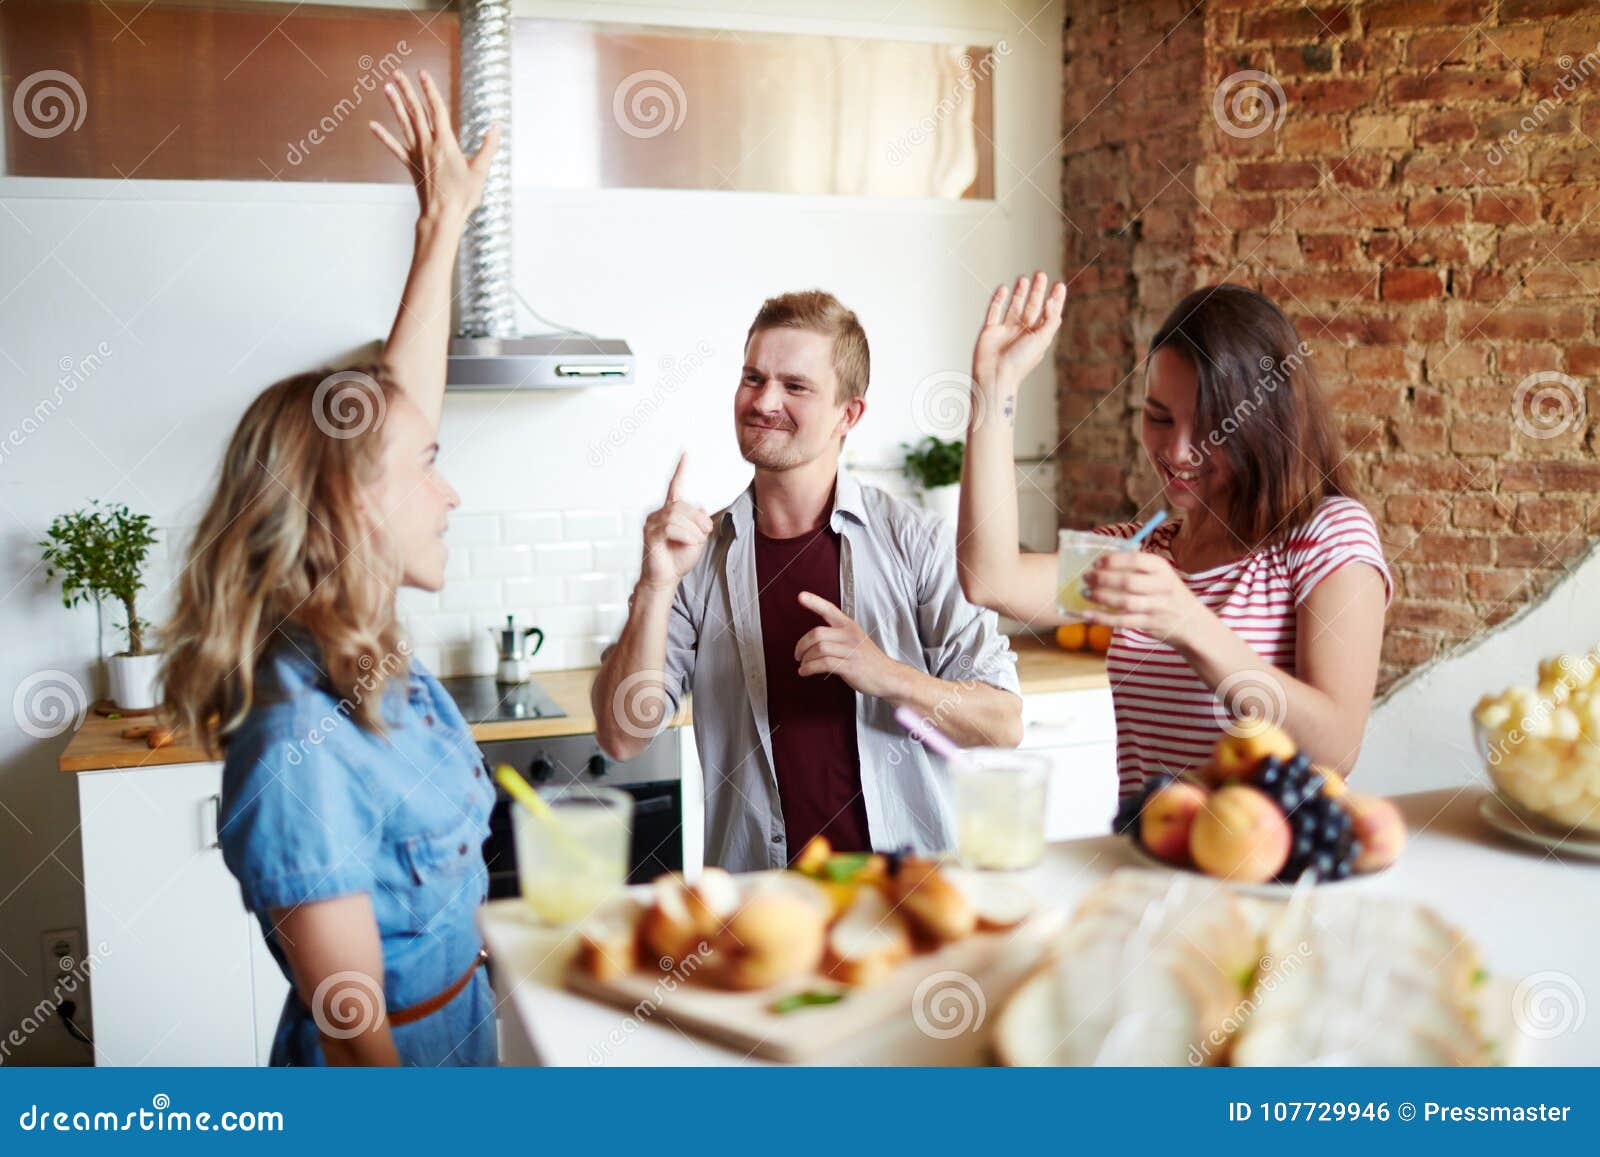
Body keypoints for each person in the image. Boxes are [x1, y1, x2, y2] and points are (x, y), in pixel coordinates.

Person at [162, 71, 501, 1065]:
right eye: (429, 469)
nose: (449, 493)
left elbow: (398, 417)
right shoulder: (298, 732)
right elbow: (358, 1040)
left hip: (467, 1026)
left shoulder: (360, 650)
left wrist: (443, 229)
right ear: (352, 506)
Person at [591, 290, 1023, 871]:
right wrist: (654, 585)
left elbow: (1003, 724)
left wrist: (887, 675)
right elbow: (624, 737)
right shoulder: (695, 557)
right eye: (753, 377)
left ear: (849, 414)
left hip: (903, 900)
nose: (765, 400)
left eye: (795, 386)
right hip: (761, 913)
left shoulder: (916, 542)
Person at [957, 273, 1391, 796]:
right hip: (1150, 862)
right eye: (1158, 417)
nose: (1179, 451)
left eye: (1212, 427)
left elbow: (1338, 747)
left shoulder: (1327, 536)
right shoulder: (1141, 550)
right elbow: (990, 580)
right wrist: (994, 387)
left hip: (1264, 870)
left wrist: (1187, 622)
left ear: (1265, 423)